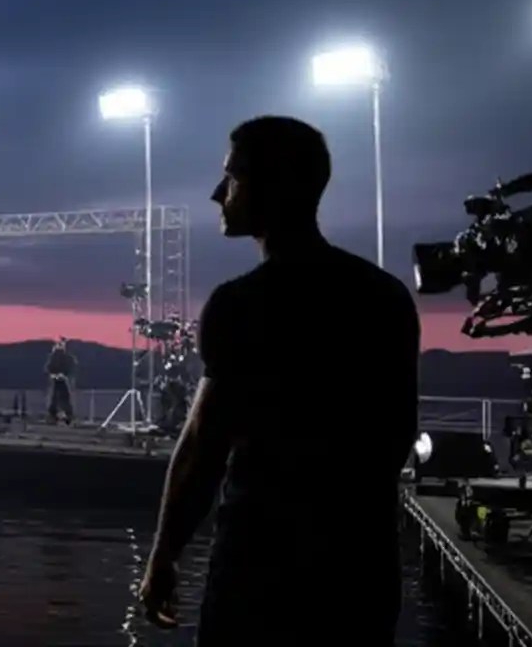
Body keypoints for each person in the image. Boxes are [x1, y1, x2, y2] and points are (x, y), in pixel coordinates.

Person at [139, 116, 420, 646]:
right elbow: (397, 435)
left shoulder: (239, 304)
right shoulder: (385, 297)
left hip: (256, 572)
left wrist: (164, 553)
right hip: (361, 573)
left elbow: (203, 448)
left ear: (274, 186)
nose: (217, 192)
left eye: (232, 177)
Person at [44, 338, 77, 424]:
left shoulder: (67, 358)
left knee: (63, 398)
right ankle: (55, 415)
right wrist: (54, 375)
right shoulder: (54, 357)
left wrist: (64, 375)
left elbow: (71, 368)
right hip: (56, 380)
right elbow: (49, 368)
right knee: (56, 398)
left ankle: (65, 415)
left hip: (62, 380)